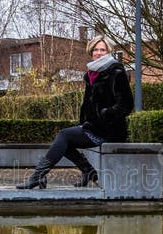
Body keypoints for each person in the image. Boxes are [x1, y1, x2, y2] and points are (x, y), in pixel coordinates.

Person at [16, 35, 134, 190]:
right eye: (96, 50)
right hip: (93, 126)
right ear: (91, 52)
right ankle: (88, 171)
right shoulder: (92, 73)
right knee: (64, 139)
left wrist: (106, 114)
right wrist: (84, 121)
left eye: (103, 50)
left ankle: (37, 177)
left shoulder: (116, 71)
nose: (98, 53)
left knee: (64, 136)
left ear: (109, 52)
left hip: (110, 130)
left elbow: (126, 104)